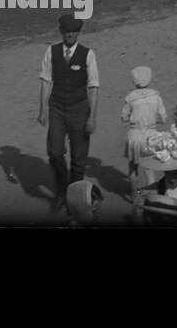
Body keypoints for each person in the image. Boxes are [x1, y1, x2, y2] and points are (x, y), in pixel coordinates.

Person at [38, 14, 99, 213]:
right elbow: (46, 81)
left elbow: (93, 87)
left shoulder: (88, 54)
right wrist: (42, 110)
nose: (70, 34)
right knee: (55, 152)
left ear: (78, 32)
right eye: (67, 31)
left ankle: (76, 197)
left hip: (80, 110)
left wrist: (92, 117)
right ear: (61, 32)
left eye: (74, 31)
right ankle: (62, 188)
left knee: (79, 159)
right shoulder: (51, 51)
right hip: (57, 108)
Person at [120, 66, 167, 191]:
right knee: (149, 169)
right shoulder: (157, 97)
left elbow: (124, 117)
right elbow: (163, 118)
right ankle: (150, 196)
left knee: (133, 167)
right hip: (151, 136)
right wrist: (152, 122)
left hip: (134, 135)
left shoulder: (130, 98)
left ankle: (135, 196)